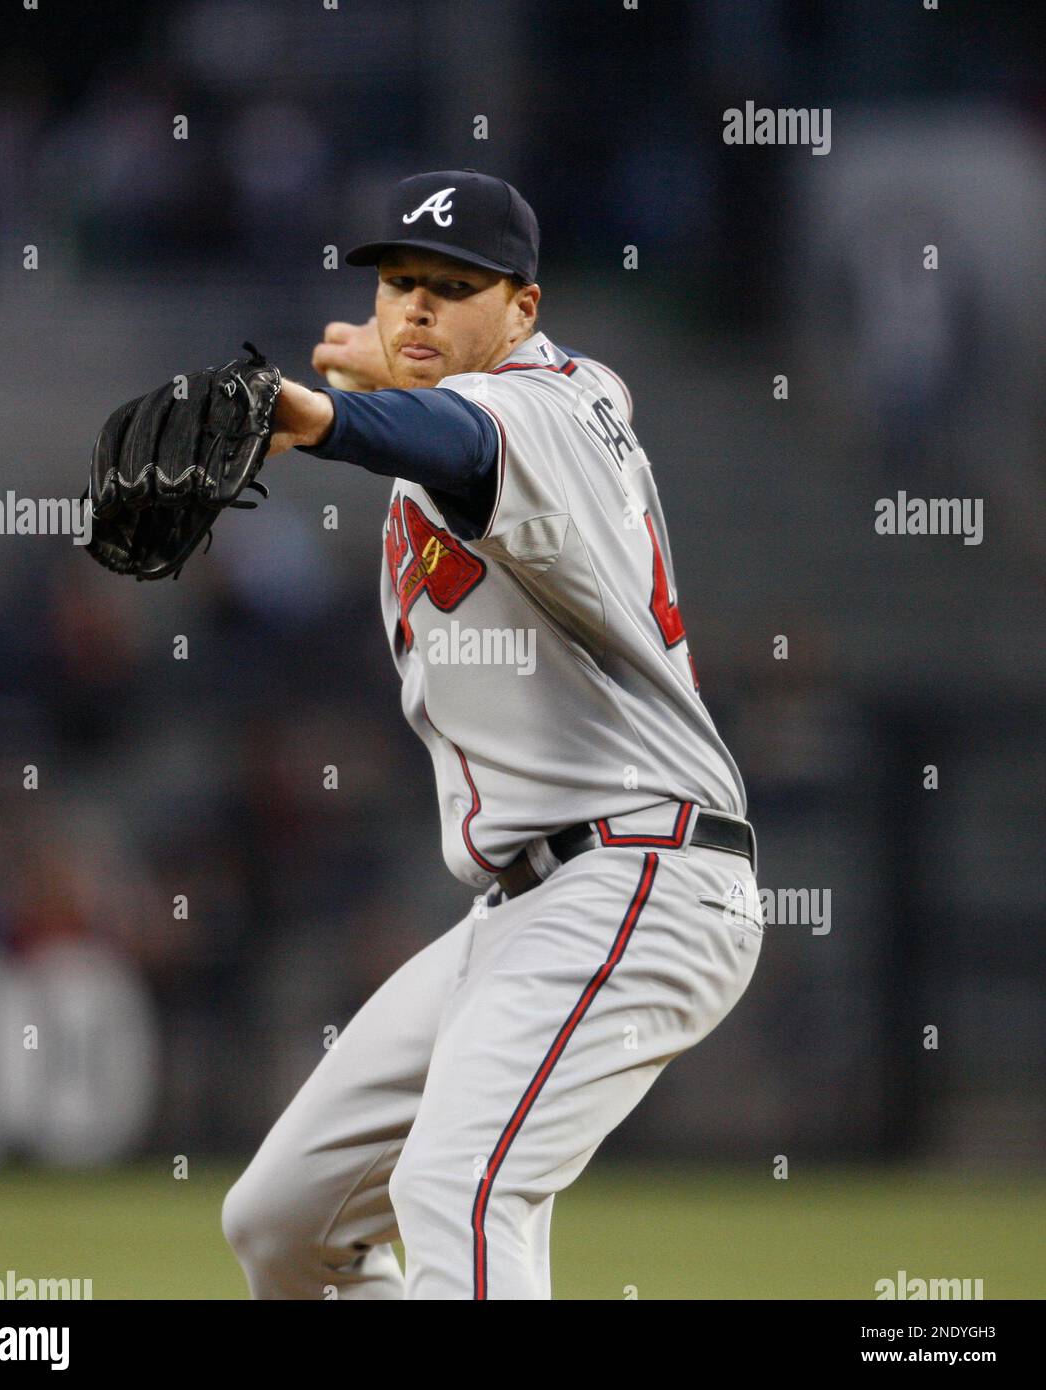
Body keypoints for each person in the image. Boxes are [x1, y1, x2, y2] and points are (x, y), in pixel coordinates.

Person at [221, 168, 764, 1300]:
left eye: (454, 287)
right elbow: (438, 421)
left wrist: (321, 415)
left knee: (462, 1186)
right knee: (282, 1222)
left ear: (523, 306)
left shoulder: (546, 409)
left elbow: (467, 437)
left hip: (640, 872)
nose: (416, 307)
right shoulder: (497, 399)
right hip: (526, 905)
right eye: (399, 283)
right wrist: (375, 381)